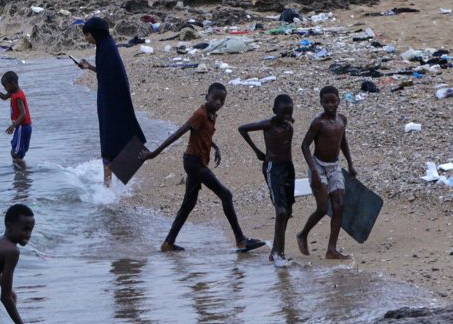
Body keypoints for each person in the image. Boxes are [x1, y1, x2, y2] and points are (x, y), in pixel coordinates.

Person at [145, 82, 262, 253]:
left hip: (197, 161)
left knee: (189, 204)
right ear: (207, 97)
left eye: (222, 100)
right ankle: (240, 240)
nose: (218, 103)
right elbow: (179, 132)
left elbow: (203, 134)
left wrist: (215, 147)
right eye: (215, 99)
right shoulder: (200, 114)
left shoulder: (211, 114)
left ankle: (168, 243)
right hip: (194, 162)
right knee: (226, 195)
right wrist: (154, 153)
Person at [69, 17, 146, 186]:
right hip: (108, 98)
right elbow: (106, 72)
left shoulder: (108, 49)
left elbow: (112, 76)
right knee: (111, 137)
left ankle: (108, 188)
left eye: (88, 35)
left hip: (113, 100)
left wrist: (109, 102)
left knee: (110, 139)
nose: (86, 38)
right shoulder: (104, 46)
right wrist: (89, 67)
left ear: (97, 32)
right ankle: (111, 185)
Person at [238, 93, 299, 266]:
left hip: (289, 167)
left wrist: (288, 119)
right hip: (274, 169)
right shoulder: (269, 124)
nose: (287, 117)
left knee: (287, 211)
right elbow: (242, 129)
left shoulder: (289, 121)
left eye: (289, 113)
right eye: (283, 113)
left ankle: (275, 252)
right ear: (274, 111)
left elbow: (290, 119)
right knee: (280, 211)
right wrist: (257, 151)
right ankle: (280, 254)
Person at [296, 85, 356, 260]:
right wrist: (314, 171)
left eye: (333, 101)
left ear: (339, 101)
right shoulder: (318, 122)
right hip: (318, 166)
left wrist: (351, 164)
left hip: (335, 166)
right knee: (322, 208)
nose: (330, 105)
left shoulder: (342, 120)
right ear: (321, 102)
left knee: (339, 206)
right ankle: (302, 234)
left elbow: (343, 141)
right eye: (326, 102)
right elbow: (305, 145)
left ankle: (331, 249)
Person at [0, 71, 33, 166]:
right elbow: (3, 97)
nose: (5, 89)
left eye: (6, 87)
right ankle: (18, 173)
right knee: (14, 152)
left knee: (16, 154)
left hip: (22, 127)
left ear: (13, 84)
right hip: (20, 127)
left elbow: (23, 114)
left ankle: (24, 172)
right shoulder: (13, 92)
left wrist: (13, 126)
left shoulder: (18, 96)